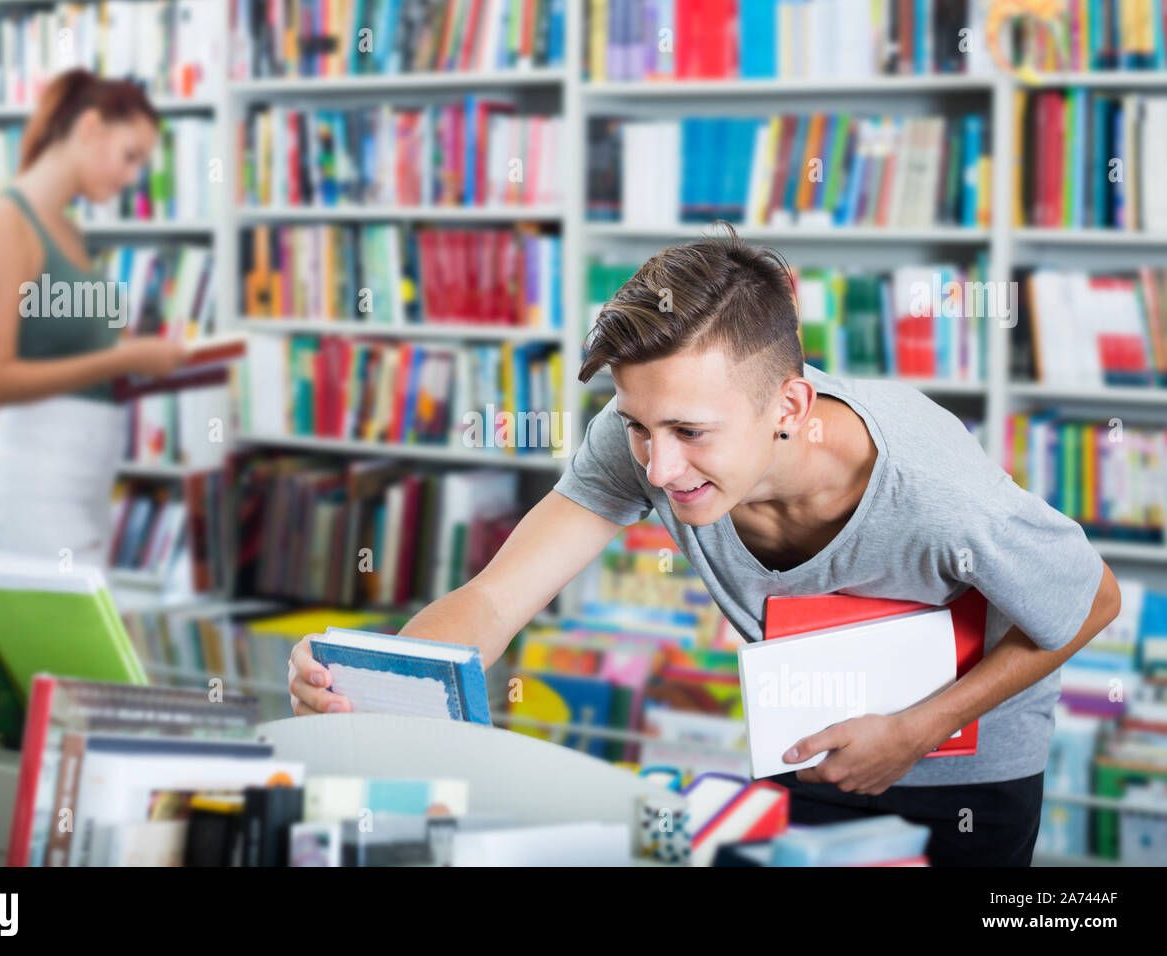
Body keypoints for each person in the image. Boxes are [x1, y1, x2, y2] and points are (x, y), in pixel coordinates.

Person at [286, 221, 1122, 866]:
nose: (660, 464)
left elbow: (1091, 602)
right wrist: (373, 686)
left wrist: (912, 731)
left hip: (963, 780)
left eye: (690, 431)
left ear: (790, 409)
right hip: (800, 748)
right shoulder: (645, 438)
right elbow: (498, 598)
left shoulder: (940, 494)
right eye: (639, 425)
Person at [0, 69, 187, 567]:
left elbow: (86, 357)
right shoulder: (4, 225)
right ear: (91, 128)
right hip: (36, 484)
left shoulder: (68, 230)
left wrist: (148, 364)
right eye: (131, 157)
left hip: (87, 480)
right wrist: (119, 358)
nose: (132, 178)